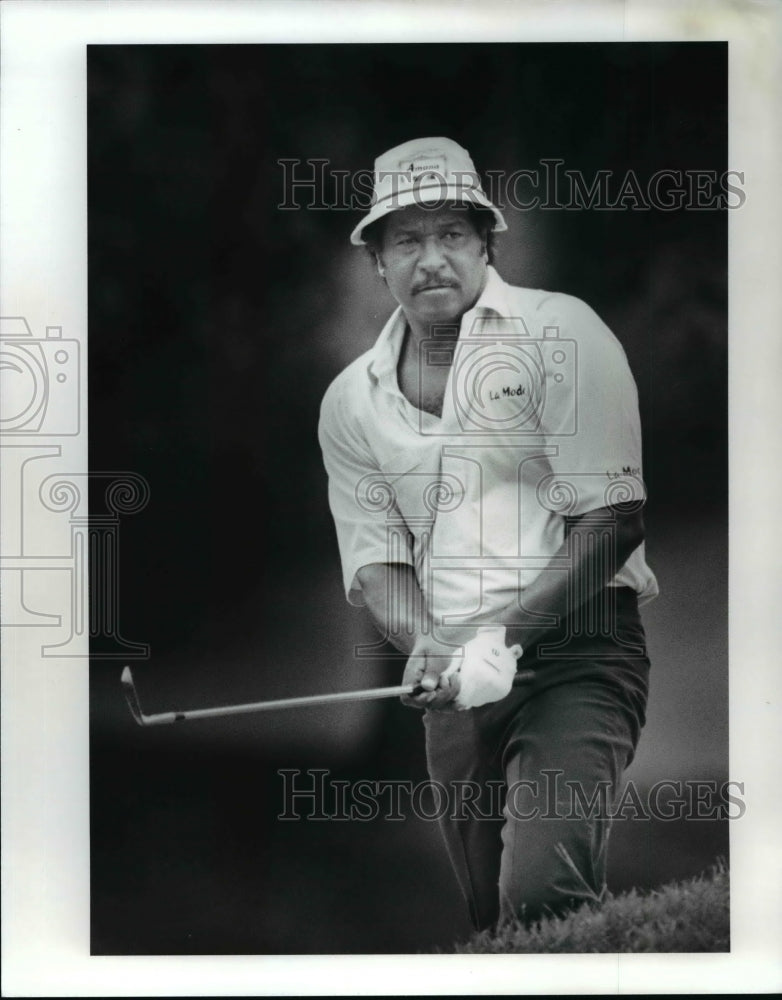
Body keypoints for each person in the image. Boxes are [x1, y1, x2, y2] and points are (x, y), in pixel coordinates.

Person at [318, 137, 658, 930]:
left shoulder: (560, 333)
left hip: (582, 652)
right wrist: (427, 640)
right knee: (488, 922)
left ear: (485, 244)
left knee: (544, 896)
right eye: (406, 239)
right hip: (455, 683)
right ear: (377, 259)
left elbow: (612, 518)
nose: (430, 258)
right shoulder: (351, 401)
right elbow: (376, 562)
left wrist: (498, 636)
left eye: (452, 235)